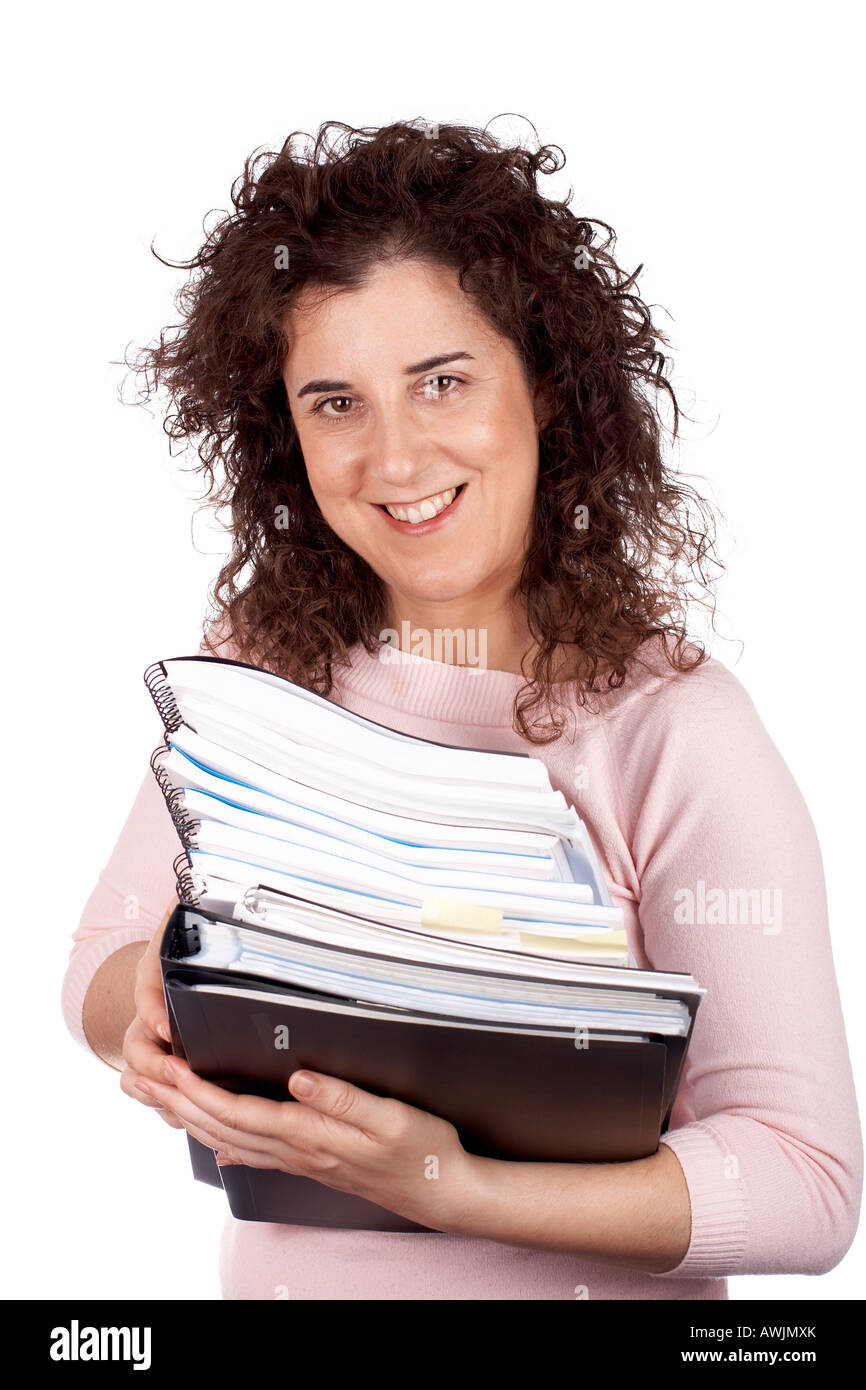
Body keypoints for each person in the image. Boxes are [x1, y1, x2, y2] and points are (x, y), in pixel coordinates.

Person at [62, 119, 862, 1300]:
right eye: (334, 402)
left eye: (441, 381)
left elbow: (805, 1184)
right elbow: (99, 956)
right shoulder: (257, 672)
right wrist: (149, 1006)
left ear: (543, 388)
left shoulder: (676, 729)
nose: (392, 458)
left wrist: (447, 1183)